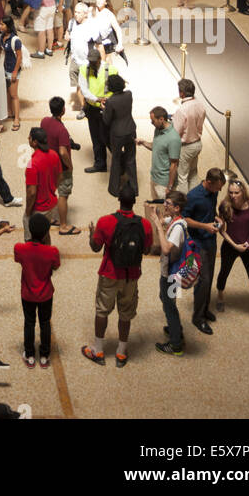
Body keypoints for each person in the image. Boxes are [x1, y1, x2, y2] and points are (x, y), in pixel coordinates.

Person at [82, 185, 153, 367]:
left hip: (110, 273)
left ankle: (98, 350)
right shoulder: (144, 224)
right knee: (126, 313)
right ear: (134, 201)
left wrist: (91, 234)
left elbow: (96, 247)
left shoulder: (105, 222)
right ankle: (121, 353)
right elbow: (147, 249)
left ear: (118, 200)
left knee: (102, 310)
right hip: (132, 275)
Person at [215, 176, 249, 331]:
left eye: (236, 193)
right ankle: (220, 294)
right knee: (224, 273)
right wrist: (234, 245)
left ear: (242, 192)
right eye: (231, 192)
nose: (233, 196)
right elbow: (221, 229)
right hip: (230, 246)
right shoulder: (225, 205)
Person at [182, 167, 226, 335]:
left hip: (211, 240)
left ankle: (205, 308)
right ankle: (198, 317)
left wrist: (215, 218)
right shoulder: (193, 196)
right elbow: (185, 219)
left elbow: (210, 210)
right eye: (218, 187)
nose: (220, 190)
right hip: (198, 242)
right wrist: (204, 226)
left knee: (210, 276)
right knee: (204, 280)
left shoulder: (213, 192)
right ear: (208, 182)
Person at [14, 211, 61, 368]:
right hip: (46, 294)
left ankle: (29, 354)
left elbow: (18, 258)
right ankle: (45, 355)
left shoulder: (20, 248)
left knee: (29, 322)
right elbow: (55, 266)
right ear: (46, 233)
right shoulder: (52, 251)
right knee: (45, 322)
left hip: (27, 294)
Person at [150, 189, 189, 356]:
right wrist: (158, 218)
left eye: (168, 204)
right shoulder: (176, 220)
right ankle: (176, 328)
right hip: (173, 272)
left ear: (177, 208)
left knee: (169, 305)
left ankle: (175, 344)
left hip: (171, 275)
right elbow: (163, 220)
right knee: (167, 299)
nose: (165, 205)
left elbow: (166, 248)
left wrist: (159, 227)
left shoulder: (179, 228)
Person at [40, 97, 80, 236]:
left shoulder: (44, 121)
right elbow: (63, 152)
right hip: (61, 168)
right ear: (63, 110)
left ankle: (49, 217)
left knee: (50, 190)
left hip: (48, 163)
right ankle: (63, 226)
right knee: (63, 195)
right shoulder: (62, 130)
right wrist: (69, 166)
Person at [102, 74, 137, 199]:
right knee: (131, 159)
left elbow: (107, 120)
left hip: (117, 134)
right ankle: (134, 188)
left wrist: (104, 109)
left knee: (116, 160)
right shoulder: (129, 94)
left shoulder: (110, 101)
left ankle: (114, 189)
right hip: (131, 130)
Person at [139, 107, 181, 199]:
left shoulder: (173, 138)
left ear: (161, 119)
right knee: (155, 207)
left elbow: (174, 165)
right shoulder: (158, 130)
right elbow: (155, 147)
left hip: (164, 184)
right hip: (154, 178)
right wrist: (143, 143)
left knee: (163, 211)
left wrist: (169, 187)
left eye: (153, 121)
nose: (151, 123)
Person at [172, 78, 205, 192]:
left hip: (186, 147)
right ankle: (194, 199)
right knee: (193, 174)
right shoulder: (200, 105)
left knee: (182, 177)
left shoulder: (182, 110)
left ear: (181, 93)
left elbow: (175, 133)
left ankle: (183, 205)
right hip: (197, 143)